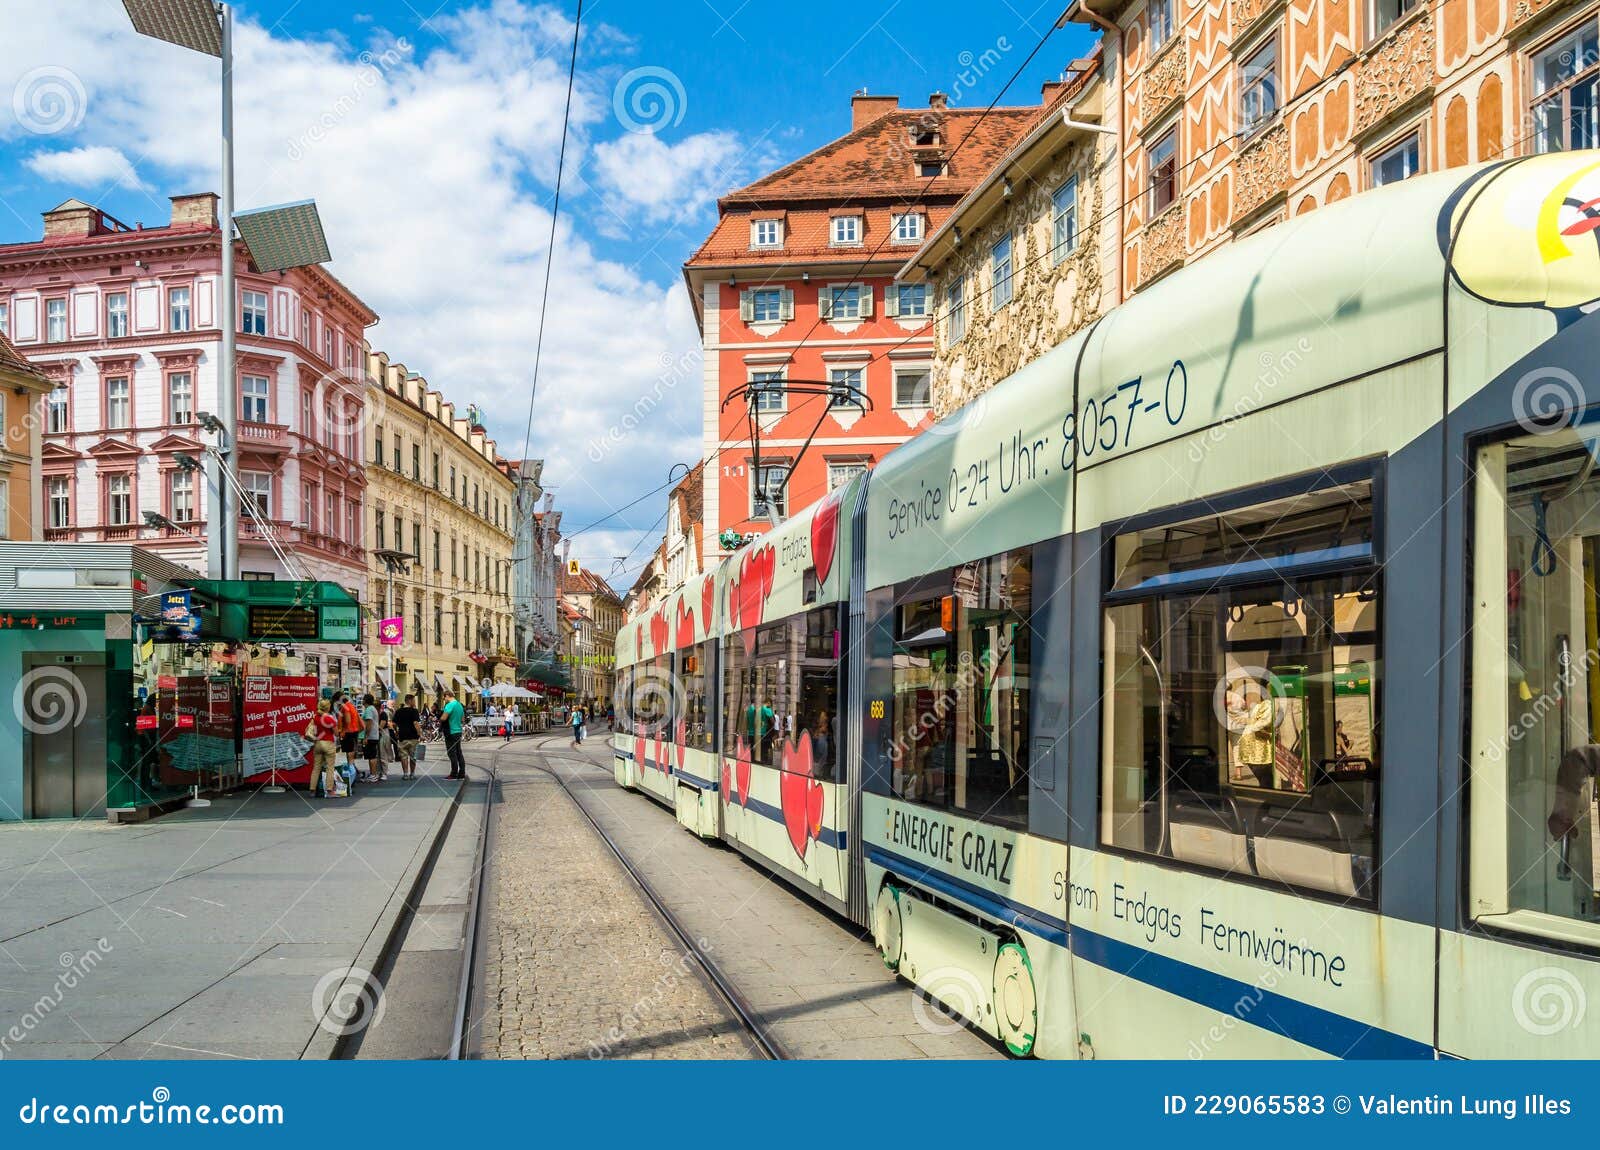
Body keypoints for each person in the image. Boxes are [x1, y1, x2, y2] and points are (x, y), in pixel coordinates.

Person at [304, 700, 340, 799]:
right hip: (328, 743)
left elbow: (313, 731)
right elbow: (336, 733)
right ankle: (329, 791)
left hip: (318, 743)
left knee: (316, 768)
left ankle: (312, 790)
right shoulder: (329, 718)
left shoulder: (315, 717)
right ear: (328, 708)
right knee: (330, 768)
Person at [393, 694, 422, 779]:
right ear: (409, 701)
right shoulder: (414, 711)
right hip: (413, 737)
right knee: (413, 756)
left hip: (402, 736)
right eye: (414, 700)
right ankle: (412, 774)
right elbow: (416, 723)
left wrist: (396, 731)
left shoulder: (399, 711)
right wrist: (420, 734)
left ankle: (405, 774)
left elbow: (393, 723)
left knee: (403, 756)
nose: (414, 702)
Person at [442, 692, 467, 779]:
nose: (444, 700)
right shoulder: (459, 705)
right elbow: (463, 719)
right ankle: (462, 773)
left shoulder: (449, 705)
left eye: (444, 698)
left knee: (451, 753)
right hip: (458, 731)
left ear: (447, 696)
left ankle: (454, 773)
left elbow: (444, 718)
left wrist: (440, 717)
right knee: (459, 752)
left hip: (451, 731)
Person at [361, 693, 383, 782]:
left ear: (365, 701)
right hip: (373, 735)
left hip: (371, 736)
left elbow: (369, 723)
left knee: (371, 756)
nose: (362, 701)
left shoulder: (369, 709)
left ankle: (373, 775)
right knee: (371, 756)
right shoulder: (372, 709)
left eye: (363, 699)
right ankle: (372, 774)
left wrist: (366, 736)